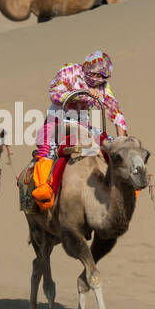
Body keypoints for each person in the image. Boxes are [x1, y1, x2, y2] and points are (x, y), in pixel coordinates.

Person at [30, 50, 128, 209]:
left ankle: (121, 186)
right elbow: (55, 94)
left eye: (103, 77)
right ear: (86, 68)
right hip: (58, 120)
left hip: (82, 125)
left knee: (111, 145)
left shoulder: (103, 87)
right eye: (95, 75)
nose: (98, 79)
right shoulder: (69, 71)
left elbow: (114, 111)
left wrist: (121, 139)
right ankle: (44, 190)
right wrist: (83, 94)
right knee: (47, 147)